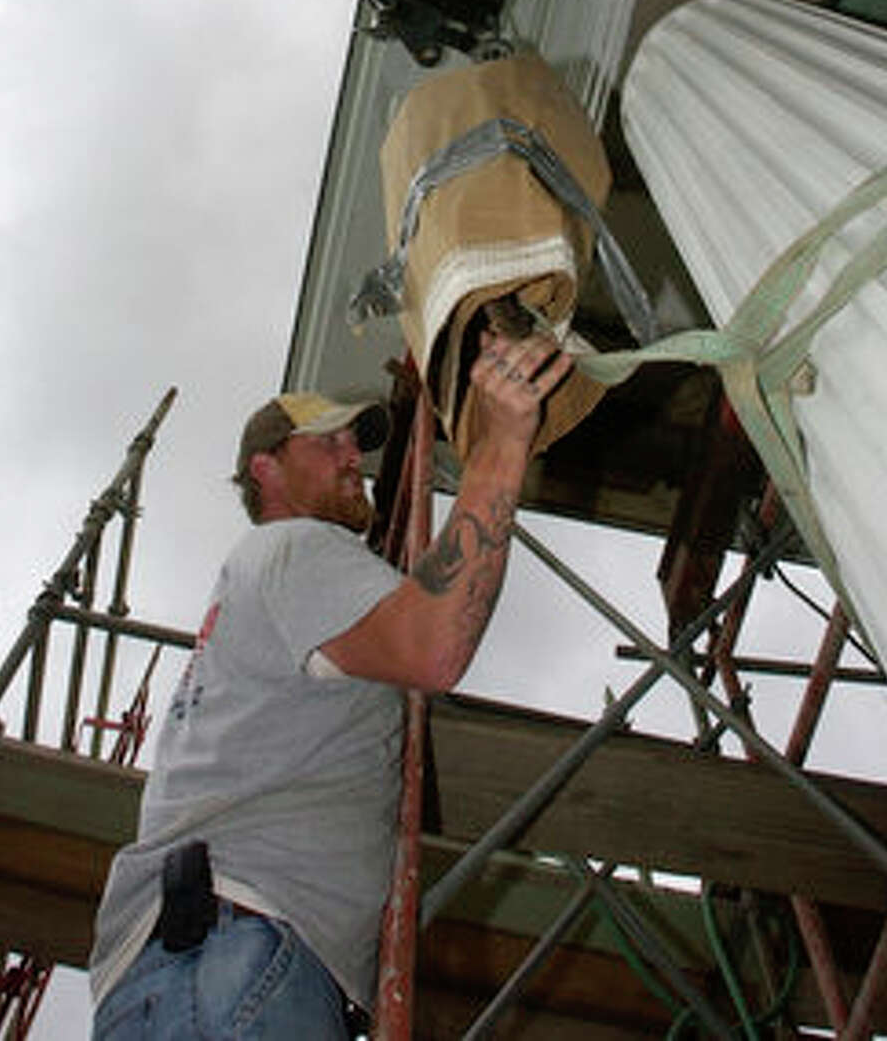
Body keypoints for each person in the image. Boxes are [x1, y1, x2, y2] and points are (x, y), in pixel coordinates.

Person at [88, 329, 572, 1040]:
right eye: (327, 442)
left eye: (354, 441)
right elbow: (431, 645)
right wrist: (500, 443)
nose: (355, 456)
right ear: (266, 470)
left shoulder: (262, 586)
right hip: (234, 961)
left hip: (203, 965)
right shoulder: (291, 549)